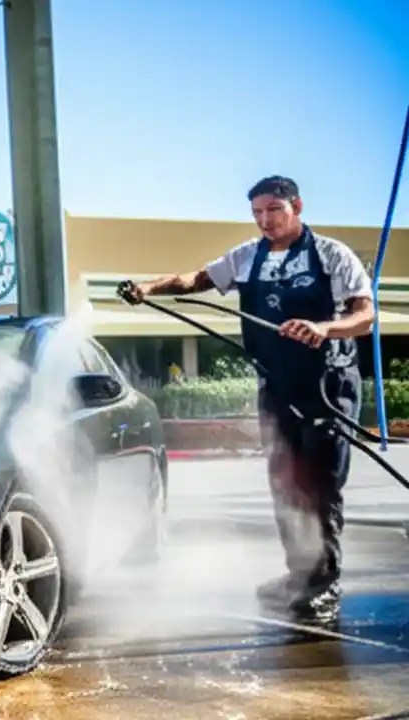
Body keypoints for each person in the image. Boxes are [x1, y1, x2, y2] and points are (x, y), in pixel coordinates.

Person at [120, 175, 375, 626]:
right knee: (284, 483)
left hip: (327, 385)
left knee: (319, 486)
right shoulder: (248, 256)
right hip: (275, 384)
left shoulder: (332, 254)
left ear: (296, 205)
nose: (265, 220)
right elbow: (195, 278)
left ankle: (323, 587)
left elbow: (365, 316)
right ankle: (298, 575)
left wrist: (323, 329)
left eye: (274, 209)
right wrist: (147, 288)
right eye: (257, 212)